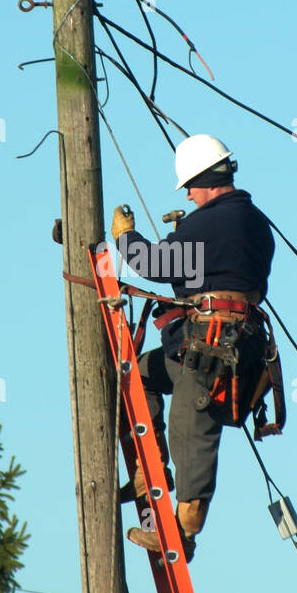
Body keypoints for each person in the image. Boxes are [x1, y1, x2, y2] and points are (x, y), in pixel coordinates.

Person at [110, 134, 275, 562]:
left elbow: (155, 265)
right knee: (138, 375)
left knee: (192, 423)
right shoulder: (255, 222)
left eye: (189, 184)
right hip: (231, 345)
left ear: (206, 178)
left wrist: (128, 241)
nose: (187, 193)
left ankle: (182, 531)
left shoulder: (211, 223)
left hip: (213, 344)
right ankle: (150, 474)